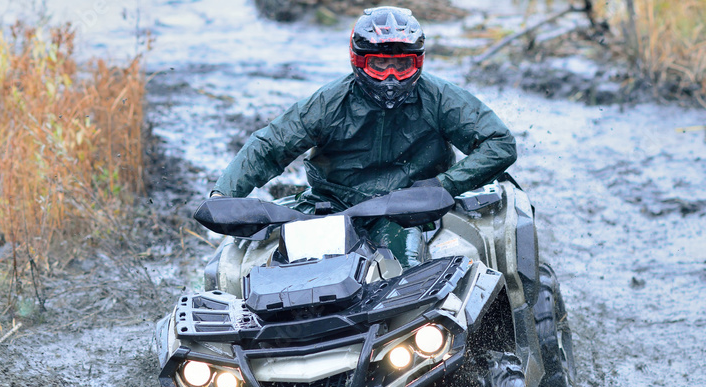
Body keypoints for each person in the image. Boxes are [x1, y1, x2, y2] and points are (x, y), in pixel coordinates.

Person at [209, 6, 517, 266]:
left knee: (405, 272)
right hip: (331, 204)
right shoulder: (329, 102)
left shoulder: (440, 97)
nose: (392, 78)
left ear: (418, 62)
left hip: (408, 207)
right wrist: (223, 195)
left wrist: (442, 186)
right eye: (380, 64)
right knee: (264, 269)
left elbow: (499, 143)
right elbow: (269, 147)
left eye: (402, 65)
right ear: (359, 60)